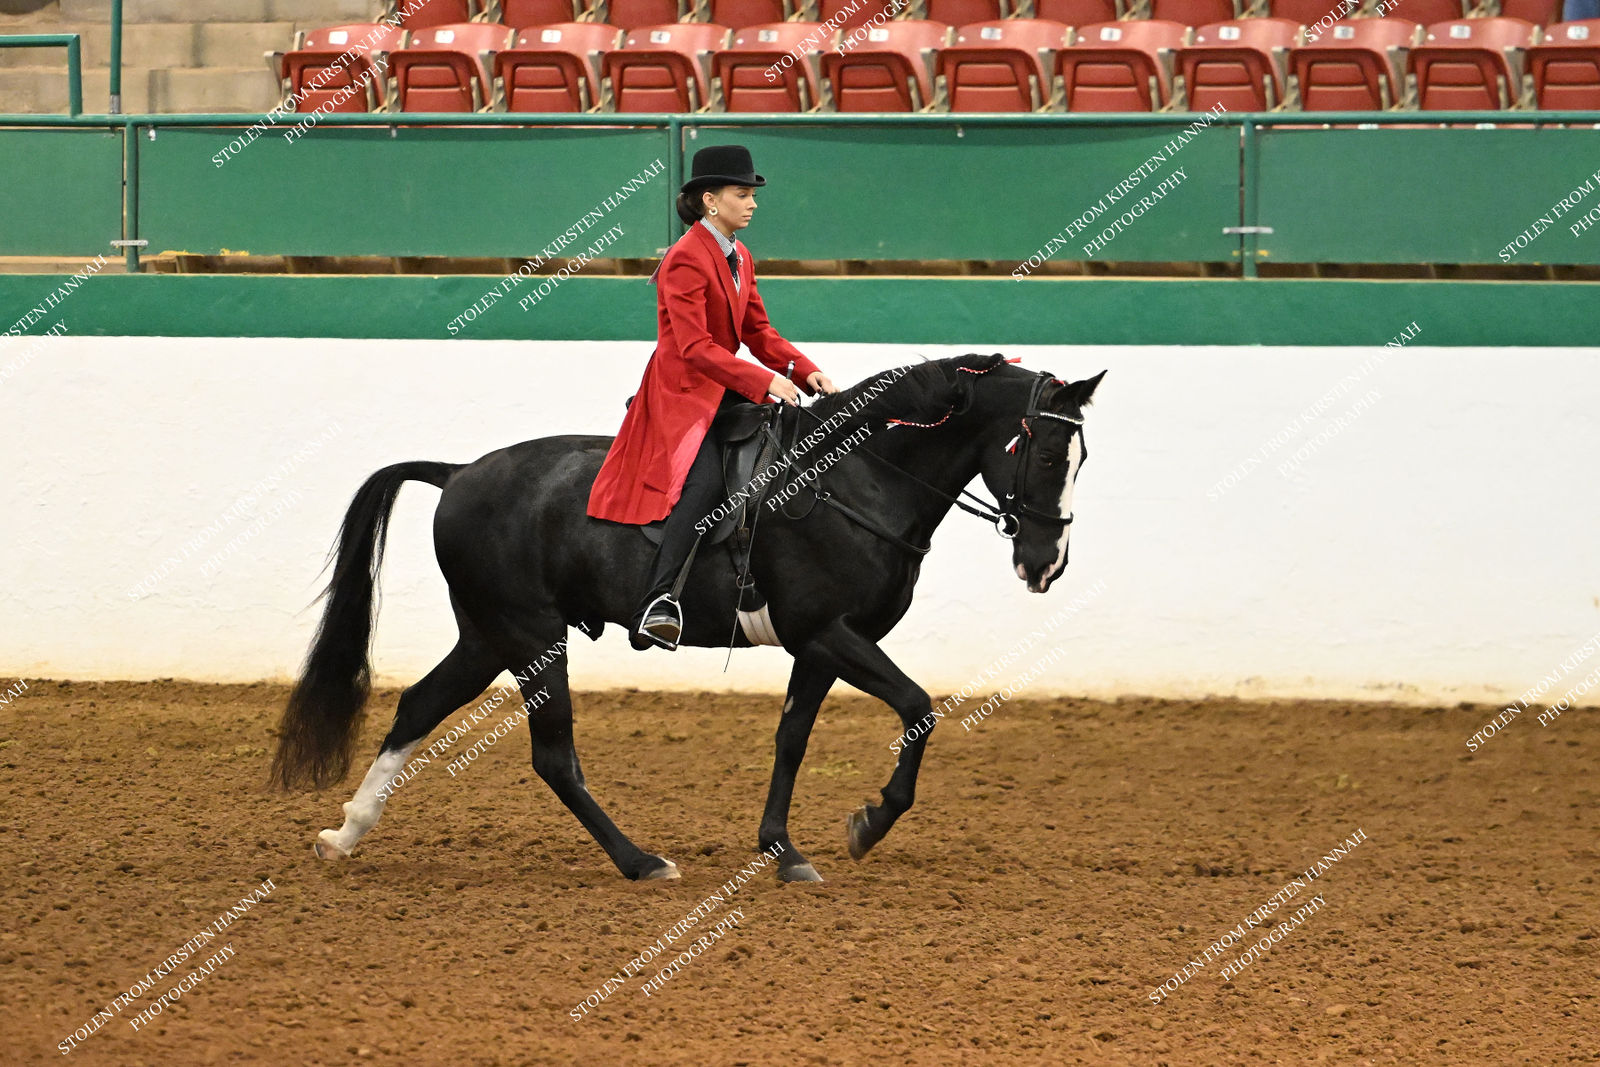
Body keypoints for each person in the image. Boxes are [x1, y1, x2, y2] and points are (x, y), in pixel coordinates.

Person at [587, 145, 836, 650]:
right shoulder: (684, 260)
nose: (752, 204)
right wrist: (763, 382)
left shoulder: (740, 255)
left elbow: (759, 332)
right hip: (682, 394)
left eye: (752, 195)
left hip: (727, 387)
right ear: (709, 200)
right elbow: (694, 347)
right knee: (702, 485)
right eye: (742, 195)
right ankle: (659, 600)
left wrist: (805, 371)